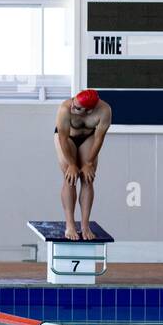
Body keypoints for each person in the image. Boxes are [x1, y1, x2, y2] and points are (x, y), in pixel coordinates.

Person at [54, 89, 112, 241]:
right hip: (68, 138)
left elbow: (99, 139)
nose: (73, 108)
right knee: (70, 176)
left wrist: (89, 163)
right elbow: (63, 138)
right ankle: (70, 225)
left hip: (89, 138)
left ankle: (85, 225)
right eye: (74, 104)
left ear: (90, 110)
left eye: (78, 109)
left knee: (88, 178)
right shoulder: (65, 109)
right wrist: (72, 164)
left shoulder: (104, 111)